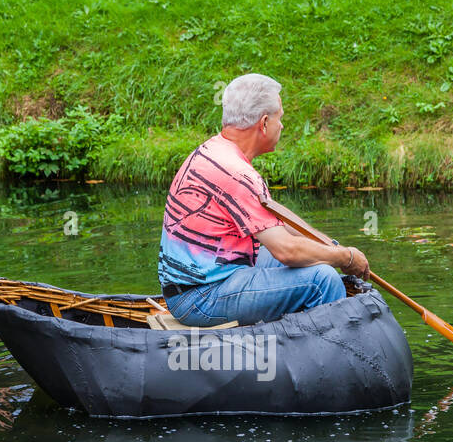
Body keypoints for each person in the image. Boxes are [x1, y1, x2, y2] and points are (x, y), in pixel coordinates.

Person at [158, 73, 370, 326]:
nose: (282, 125)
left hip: (201, 281)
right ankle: (335, 351)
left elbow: (277, 223)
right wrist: (345, 258)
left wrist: (330, 248)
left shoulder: (215, 151)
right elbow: (287, 250)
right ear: (265, 122)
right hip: (200, 298)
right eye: (280, 117)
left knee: (318, 258)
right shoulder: (236, 173)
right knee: (322, 279)